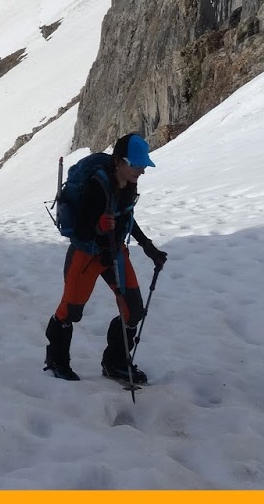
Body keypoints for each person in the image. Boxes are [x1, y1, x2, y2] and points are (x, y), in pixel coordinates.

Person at [44, 132, 168, 384]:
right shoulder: (96, 186)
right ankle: (56, 361)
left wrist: (148, 246)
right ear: (119, 162)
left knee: (133, 310)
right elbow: (80, 230)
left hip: (114, 252)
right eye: (136, 165)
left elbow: (126, 217)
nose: (140, 171)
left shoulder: (128, 184)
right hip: (86, 253)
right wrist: (99, 227)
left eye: (143, 166)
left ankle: (116, 362)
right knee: (69, 311)